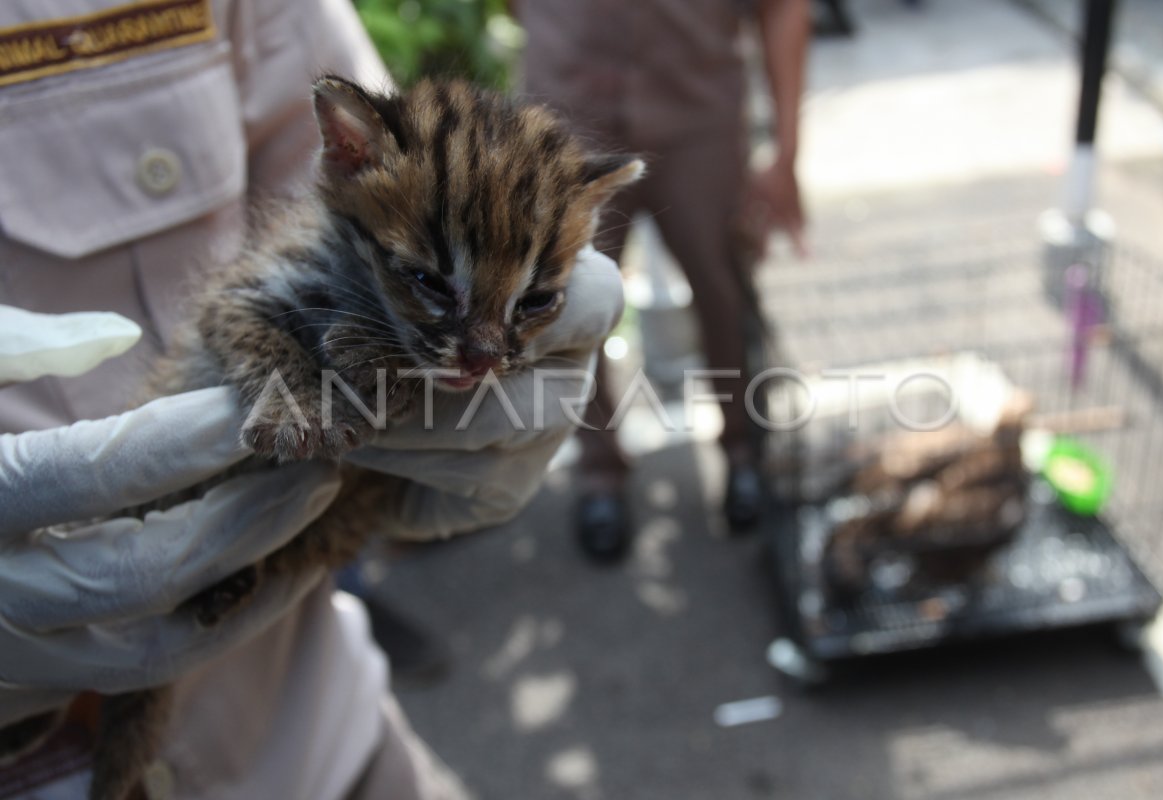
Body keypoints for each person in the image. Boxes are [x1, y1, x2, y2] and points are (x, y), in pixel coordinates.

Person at [0, 0, 623, 797]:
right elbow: (257, 296)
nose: (482, 355)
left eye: (531, 305)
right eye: (431, 285)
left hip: (314, 738)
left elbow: (426, 166)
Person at [513, 0, 811, 559]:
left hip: (698, 111)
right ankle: (599, 469)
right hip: (570, 116)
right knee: (564, 303)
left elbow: (783, 9)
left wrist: (787, 153)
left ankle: (744, 449)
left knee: (724, 288)